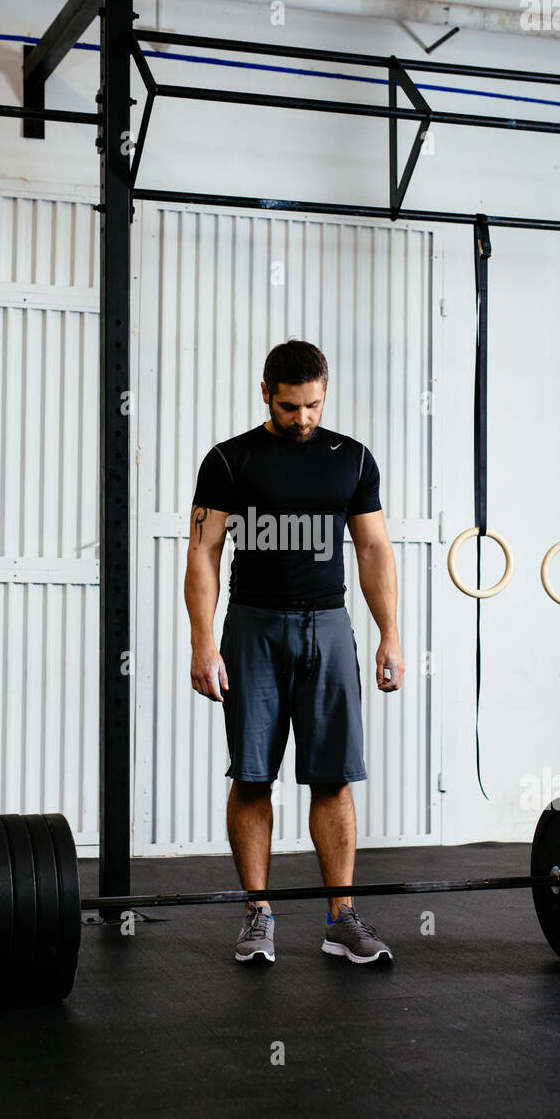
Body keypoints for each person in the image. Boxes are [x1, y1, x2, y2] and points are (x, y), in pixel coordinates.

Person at [184, 339, 405, 965]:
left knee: (333, 777)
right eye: (288, 407)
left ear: (324, 392)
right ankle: (258, 915)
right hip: (253, 627)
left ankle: (341, 917)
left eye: (311, 405)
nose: (302, 418)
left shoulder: (353, 459)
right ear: (265, 395)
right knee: (253, 776)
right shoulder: (229, 460)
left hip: (329, 626)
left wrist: (389, 632)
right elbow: (203, 552)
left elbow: (373, 550)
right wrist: (203, 643)